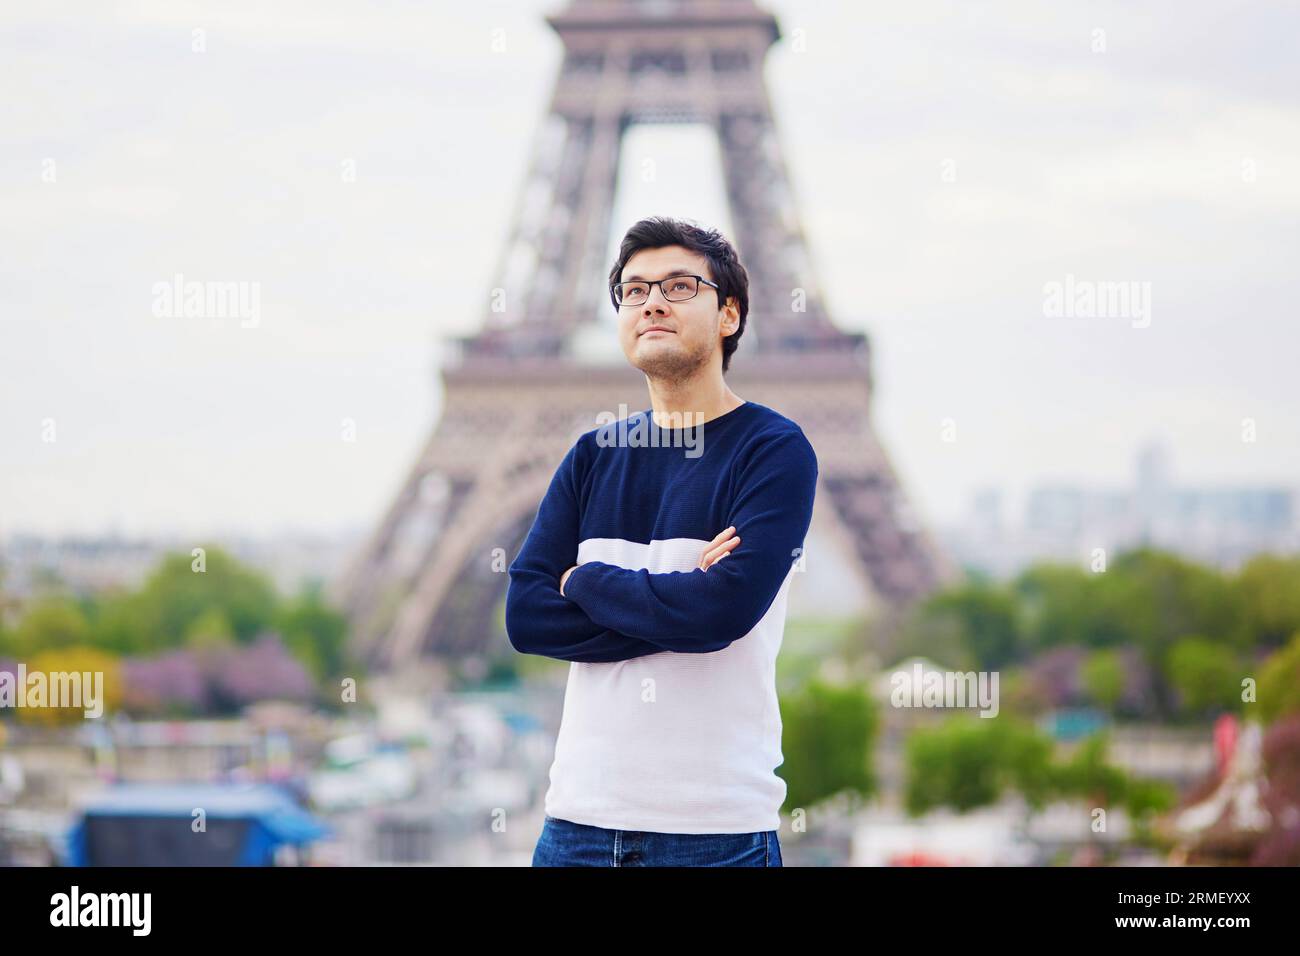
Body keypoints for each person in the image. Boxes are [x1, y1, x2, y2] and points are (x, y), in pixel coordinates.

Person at [506, 215, 818, 866]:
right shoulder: (592, 456)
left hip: (716, 837)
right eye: (634, 288)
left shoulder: (773, 451)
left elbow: (722, 612)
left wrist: (584, 583)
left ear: (729, 313)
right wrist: (687, 610)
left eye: (679, 287)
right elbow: (527, 617)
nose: (651, 301)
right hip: (575, 829)